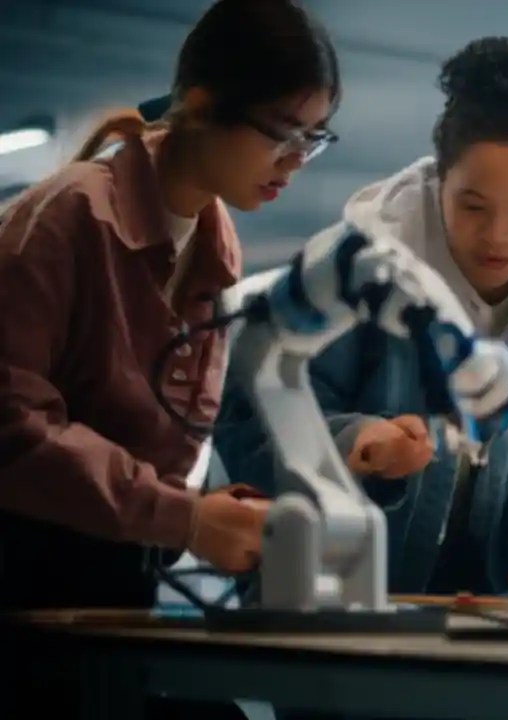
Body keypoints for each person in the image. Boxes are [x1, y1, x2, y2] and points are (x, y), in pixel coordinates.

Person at [0, 0, 340, 715]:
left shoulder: (217, 244)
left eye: (314, 139)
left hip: (111, 598)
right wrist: (185, 518)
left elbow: (164, 454)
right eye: (281, 133)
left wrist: (212, 512)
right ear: (199, 104)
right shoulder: (70, 216)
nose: (294, 162)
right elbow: (12, 433)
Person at [214, 36, 508, 602]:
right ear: (438, 183)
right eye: (473, 206)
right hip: (339, 598)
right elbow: (247, 426)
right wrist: (360, 441)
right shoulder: (352, 274)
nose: (499, 235)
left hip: (486, 609)